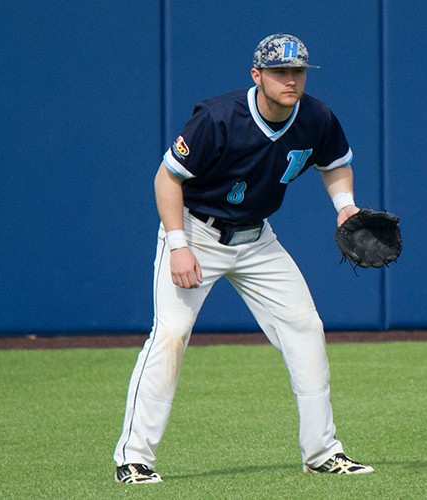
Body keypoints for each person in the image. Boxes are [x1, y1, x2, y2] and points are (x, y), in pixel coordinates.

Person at [113, 33, 375, 484]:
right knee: (171, 334)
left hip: (257, 239)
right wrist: (178, 245)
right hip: (196, 231)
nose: (291, 80)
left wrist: (345, 205)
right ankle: (133, 459)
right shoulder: (218, 118)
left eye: (298, 72)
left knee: (306, 328)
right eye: (280, 72)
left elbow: (334, 163)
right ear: (257, 75)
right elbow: (166, 179)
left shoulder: (316, 117)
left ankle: (322, 452)